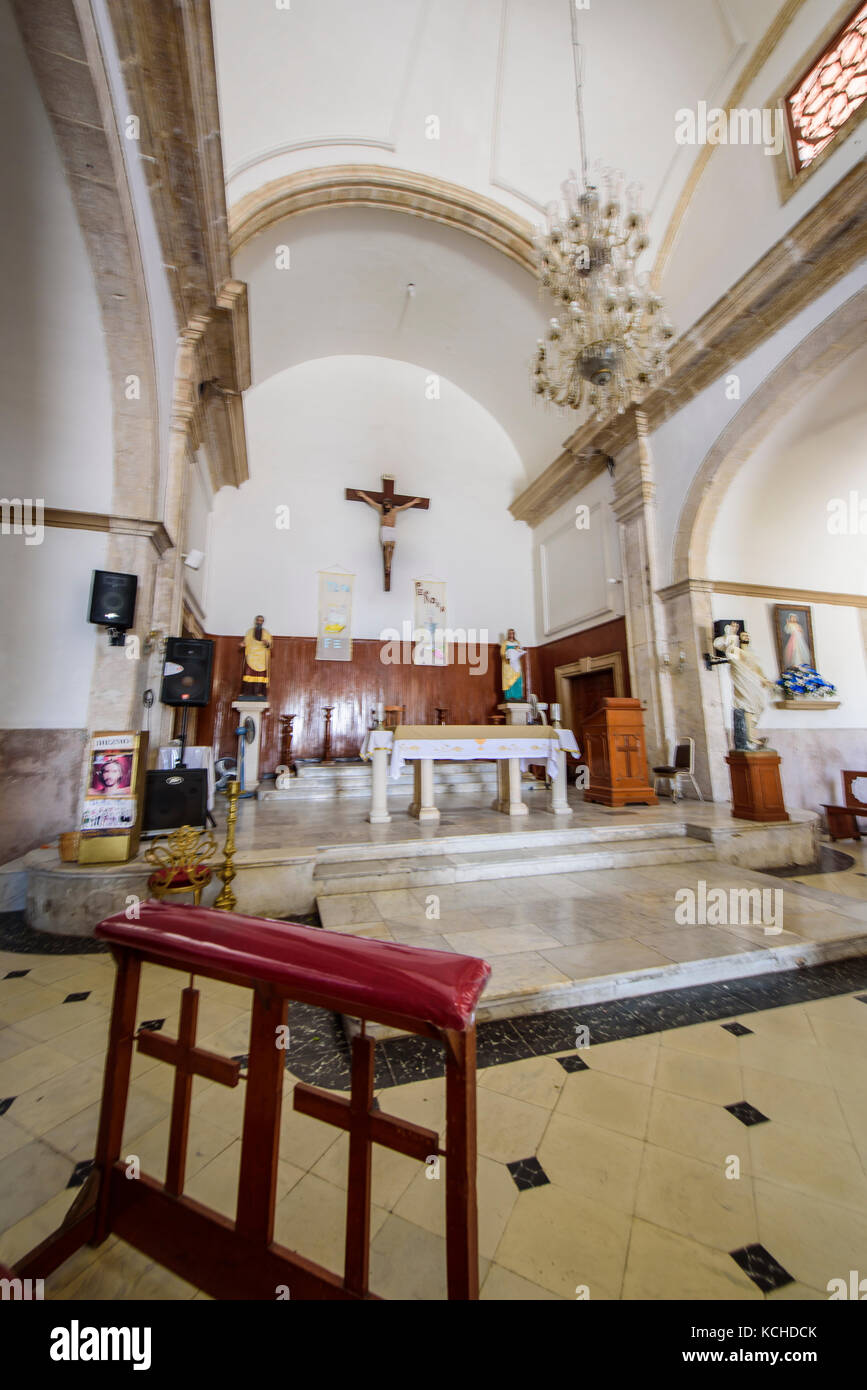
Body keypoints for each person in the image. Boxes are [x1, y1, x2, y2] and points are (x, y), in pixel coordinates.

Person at [355, 490, 424, 590]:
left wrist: (414, 502)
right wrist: (363, 496)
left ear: (391, 504)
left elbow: (405, 506)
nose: (386, 506)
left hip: (392, 530)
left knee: (392, 547)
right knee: (386, 546)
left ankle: (388, 566)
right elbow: (371, 502)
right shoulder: (380, 509)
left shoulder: (395, 510)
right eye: (385, 504)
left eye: (388, 504)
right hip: (385, 529)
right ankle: (387, 564)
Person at [729, 631, 774, 749]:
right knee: (747, 708)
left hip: (754, 682)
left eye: (747, 635)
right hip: (744, 682)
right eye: (743, 635)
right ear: (739, 638)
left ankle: (752, 734)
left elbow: (756, 670)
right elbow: (732, 656)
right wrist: (731, 634)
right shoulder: (738, 651)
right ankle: (749, 737)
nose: (746, 637)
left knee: (759, 706)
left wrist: (764, 679)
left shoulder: (752, 654)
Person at [240, 615, 272, 698]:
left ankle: (259, 692)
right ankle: (246, 692)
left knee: (260, 675)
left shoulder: (266, 633)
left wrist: (266, 643)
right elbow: (246, 641)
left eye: (261, 621)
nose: (259, 622)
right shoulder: (249, 632)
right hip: (252, 656)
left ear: (263, 622)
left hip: (261, 658)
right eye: (258, 620)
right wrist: (243, 644)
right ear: (255, 621)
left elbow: (270, 645)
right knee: (248, 673)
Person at [501, 629, 526, 702]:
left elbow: (520, 650)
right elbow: (502, 653)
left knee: (518, 680)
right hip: (508, 664)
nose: (511, 635)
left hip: (516, 664)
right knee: (509, 680)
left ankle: (518, 696)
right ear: (508, 634)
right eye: (509, 633)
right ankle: (509, 696)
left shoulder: (517, 643)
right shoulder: (505, 643)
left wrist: (518, 651)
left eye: (512, 633)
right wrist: (508, 654)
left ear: (514, 634)